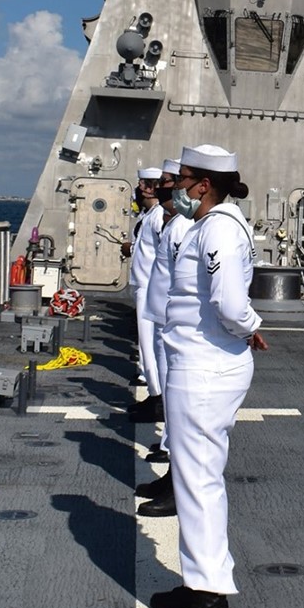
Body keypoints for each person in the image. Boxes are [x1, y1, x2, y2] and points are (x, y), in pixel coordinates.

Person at [142, 143, 268, 608]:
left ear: (204, 185)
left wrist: (251, 326)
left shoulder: (215, 228)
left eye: (184, 179)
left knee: (197, 487)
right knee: (198, 482)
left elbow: (229, 303)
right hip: (204, 364)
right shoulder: (218, 223)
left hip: (205, 369)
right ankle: (199, 586)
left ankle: (209, 607)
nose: (176, 186)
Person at [135, 158, 181, 481]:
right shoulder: (161, 220)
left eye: (167, 181)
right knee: (159, 365)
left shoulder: (173, 225)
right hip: (155, 301)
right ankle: (167, 443)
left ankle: (170, 451)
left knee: (167, 375)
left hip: (167, 310)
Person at [125, 167, 165, 422]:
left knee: (152, 347)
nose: (141, 187)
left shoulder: (159, 216)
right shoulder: (150, 215)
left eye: (145, 184)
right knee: (147, 346)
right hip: (144, 286)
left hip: (152, 288)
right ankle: (154, 395)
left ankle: (158, 399)